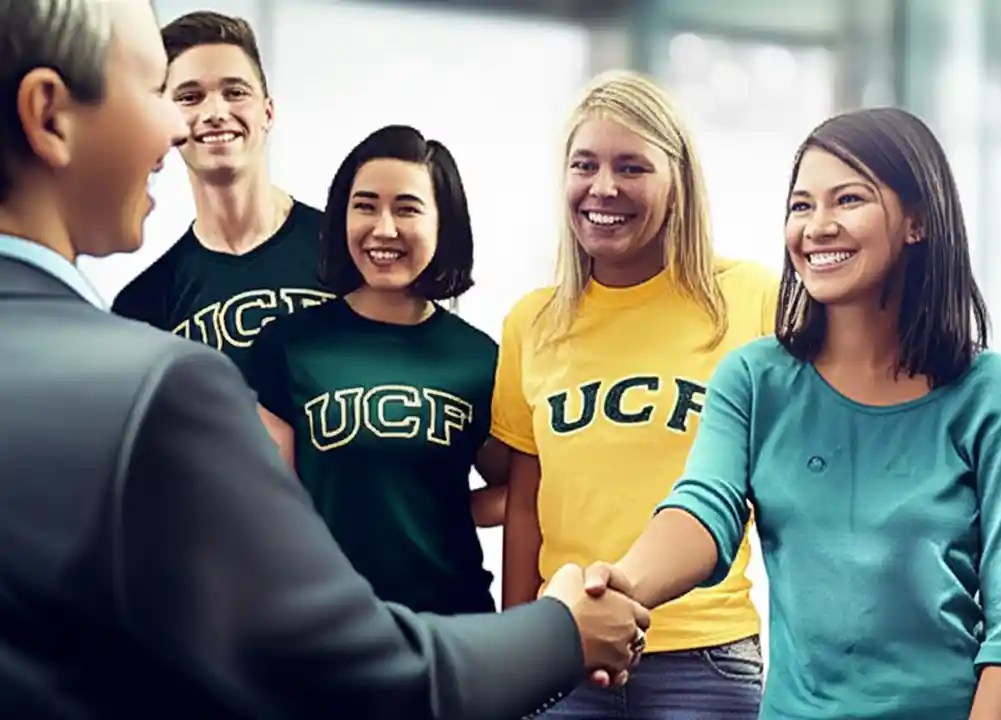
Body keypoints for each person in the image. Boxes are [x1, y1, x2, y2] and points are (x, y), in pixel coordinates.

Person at [0, 1, 646, 717]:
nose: (179, 126)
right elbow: (357, 667)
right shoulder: (154, 373)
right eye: (160, 90)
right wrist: (562, 633)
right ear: (49, 115)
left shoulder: (445, 339)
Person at [581, 108, 1001, 719]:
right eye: (801, 206)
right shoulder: (753, 379)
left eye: (848, 200)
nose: (818, 227)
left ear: (918, 222)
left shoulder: (998, 396)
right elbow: (701, 510)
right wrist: (619, 586)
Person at [494, 70, 778, 717]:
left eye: (631, 166)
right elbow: (525, 503)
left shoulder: (751, 297)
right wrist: (517, 651)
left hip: (705, 656)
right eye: (584, 164)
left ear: (678, 180)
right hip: (564, 652)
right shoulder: (531, 322)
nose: (604, 187)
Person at [245, 125, 508, 617]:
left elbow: (517, 489)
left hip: (454, 633)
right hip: (328, 629)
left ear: (443, 223)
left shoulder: (479, 358)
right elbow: (267, 503)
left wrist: (441, 510)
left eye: (407, 209)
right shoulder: (289, 344)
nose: (383, 229)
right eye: (365, 206)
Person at [111, 10, 330, 375]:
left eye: (235, 92)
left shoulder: (348, 253)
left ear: (268, 113)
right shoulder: (142, 307)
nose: (215, 112)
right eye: (190, 97)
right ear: (166, 122)